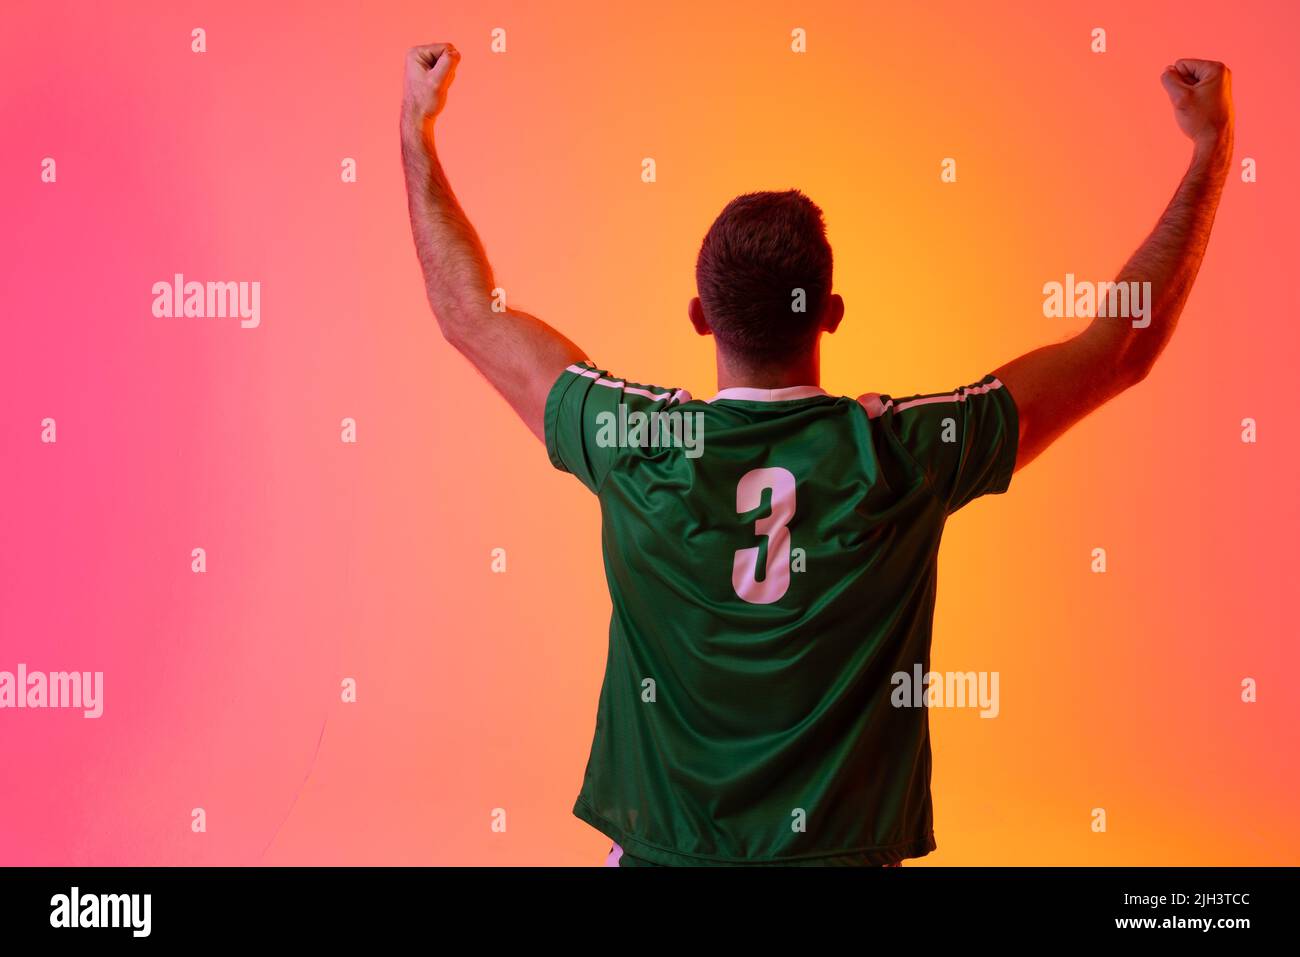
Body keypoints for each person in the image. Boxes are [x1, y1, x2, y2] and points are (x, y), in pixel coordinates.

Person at [401, 45, 1234, 866]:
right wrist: (1211, 148)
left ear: (701, 316)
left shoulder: (635, 444)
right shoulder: (906, 454)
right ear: (831, 312)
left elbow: (467, 313)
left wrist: (417, 128)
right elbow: (1122, 347)